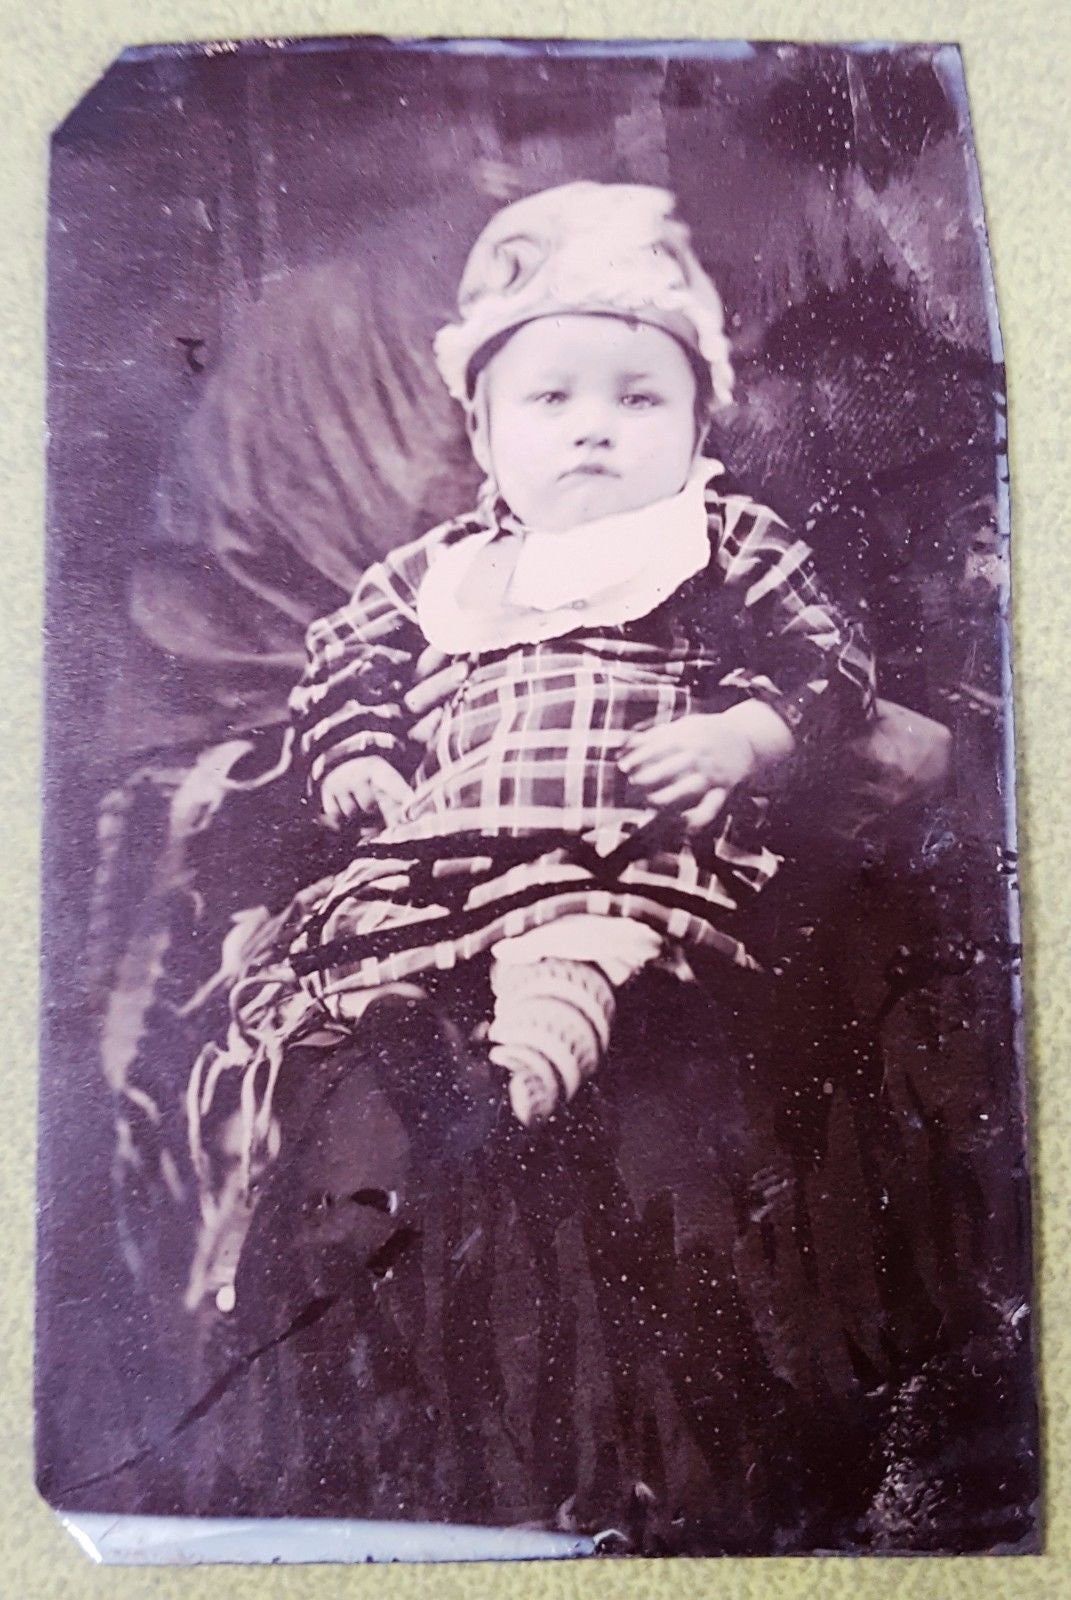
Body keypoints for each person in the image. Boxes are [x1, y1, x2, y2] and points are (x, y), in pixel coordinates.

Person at [186, 182, 877, 1305]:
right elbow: (340, 664)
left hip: (612, 834)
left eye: (640, 398)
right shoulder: (438, 568)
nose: (594, 426)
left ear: (698, 425)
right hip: (444, 846)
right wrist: (356, 750)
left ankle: (512, 1091)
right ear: (484, 432)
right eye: (550, 398)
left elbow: (829, 656)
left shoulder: (716, 535)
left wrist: (739, 737)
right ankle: (367, 1134)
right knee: (359, 974)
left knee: (571, 949)